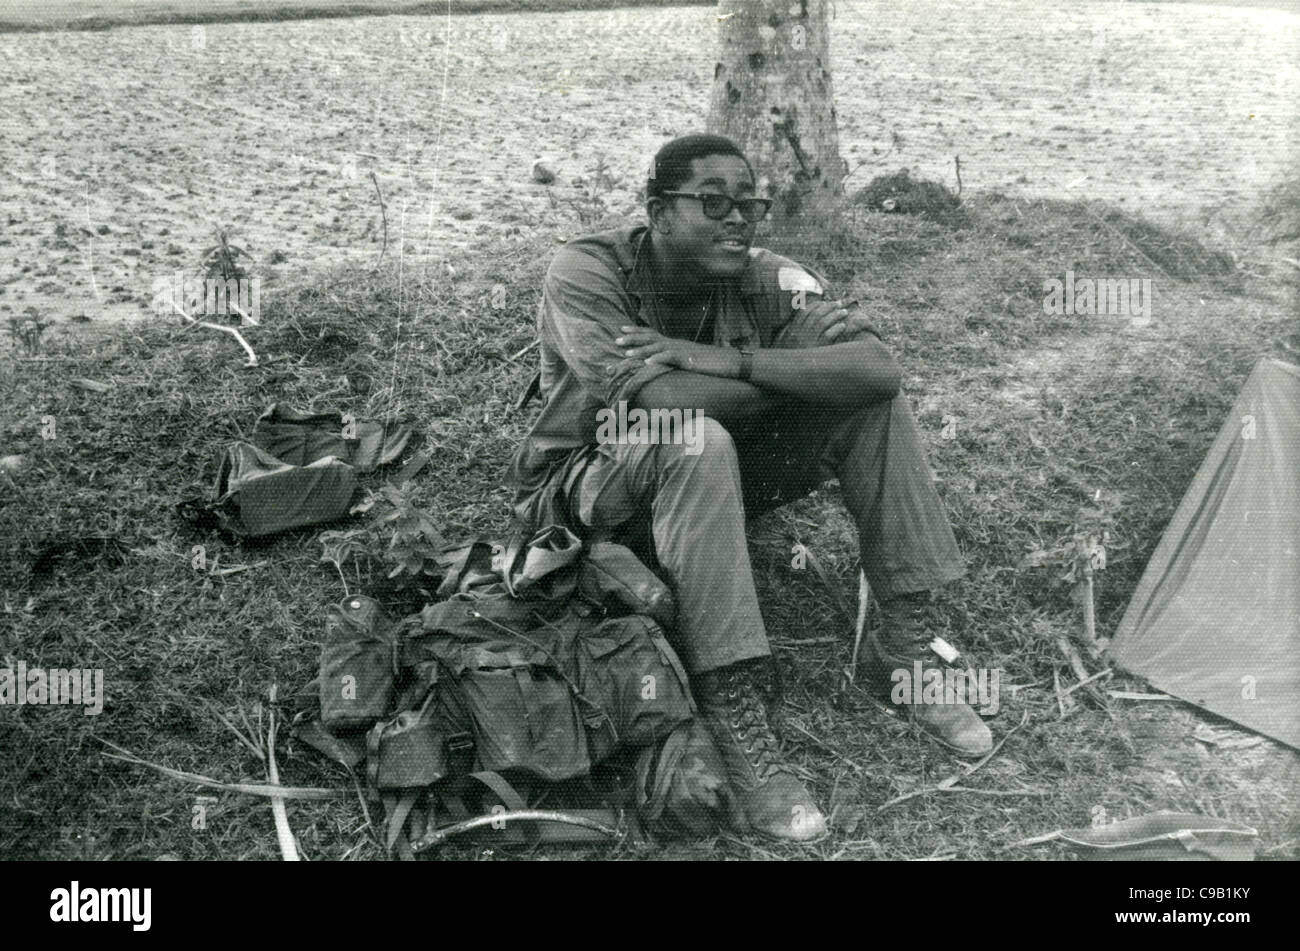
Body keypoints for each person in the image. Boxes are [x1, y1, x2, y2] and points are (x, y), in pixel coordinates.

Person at [508, 133, 992, 842]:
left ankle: (903, 648)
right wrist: (788, 368)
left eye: (750, 204)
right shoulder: (587, 270)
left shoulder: (765, 274)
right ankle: (734, 711)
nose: (738, 219)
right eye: (713, 202)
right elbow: (661, 401)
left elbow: (876, 369)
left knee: (867, 407)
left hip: (711, 476)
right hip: (587, 493)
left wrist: (732, 361)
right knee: (694, 433)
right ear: (658, 211)